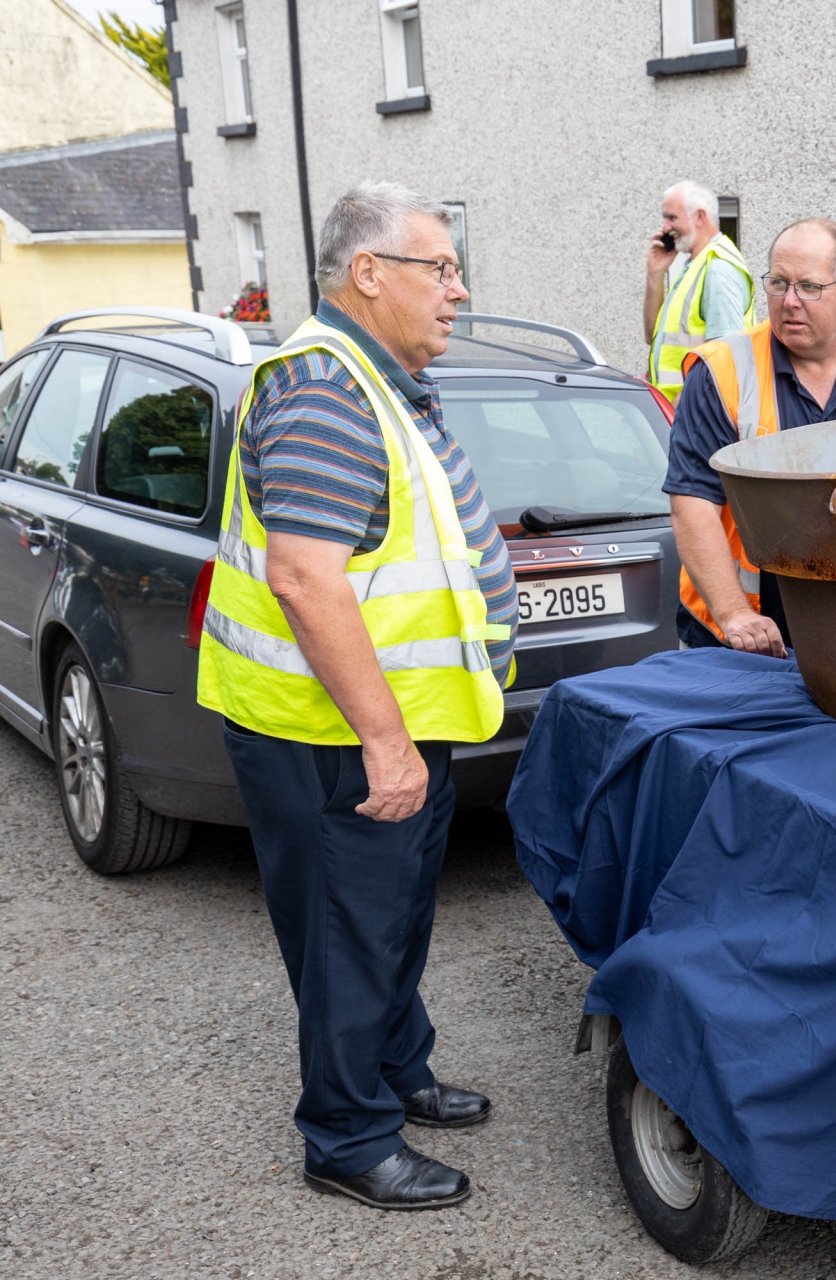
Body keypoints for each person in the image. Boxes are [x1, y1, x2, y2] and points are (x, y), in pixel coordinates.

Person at [196, 181, 519, 1212]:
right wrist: (385, 741)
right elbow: (304, 575)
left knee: (391, 918)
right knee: (348, 927)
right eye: (441, 267)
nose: (459, 289)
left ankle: (396, 1066)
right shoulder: (327, 387)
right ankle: (345, 1131)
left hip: (394, 724)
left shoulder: (380, 381)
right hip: (332, 733)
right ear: (368, 273)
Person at [666, 217, 836, 654]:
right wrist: (735, 615)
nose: (789, 301)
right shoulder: (723, 372)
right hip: (743, 642)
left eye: (809, 286)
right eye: (778, 283)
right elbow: (693, 504)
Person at [644, 179, 755, 404]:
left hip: (694, 416)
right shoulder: (696, 265)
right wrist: (655, 274)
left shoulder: (718, 267)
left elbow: (725, 359)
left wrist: (683, 407)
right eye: (664, 218)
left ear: (700, 217)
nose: (664, 227)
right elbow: (651, 336)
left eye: (672, 217)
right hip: (678, 414)